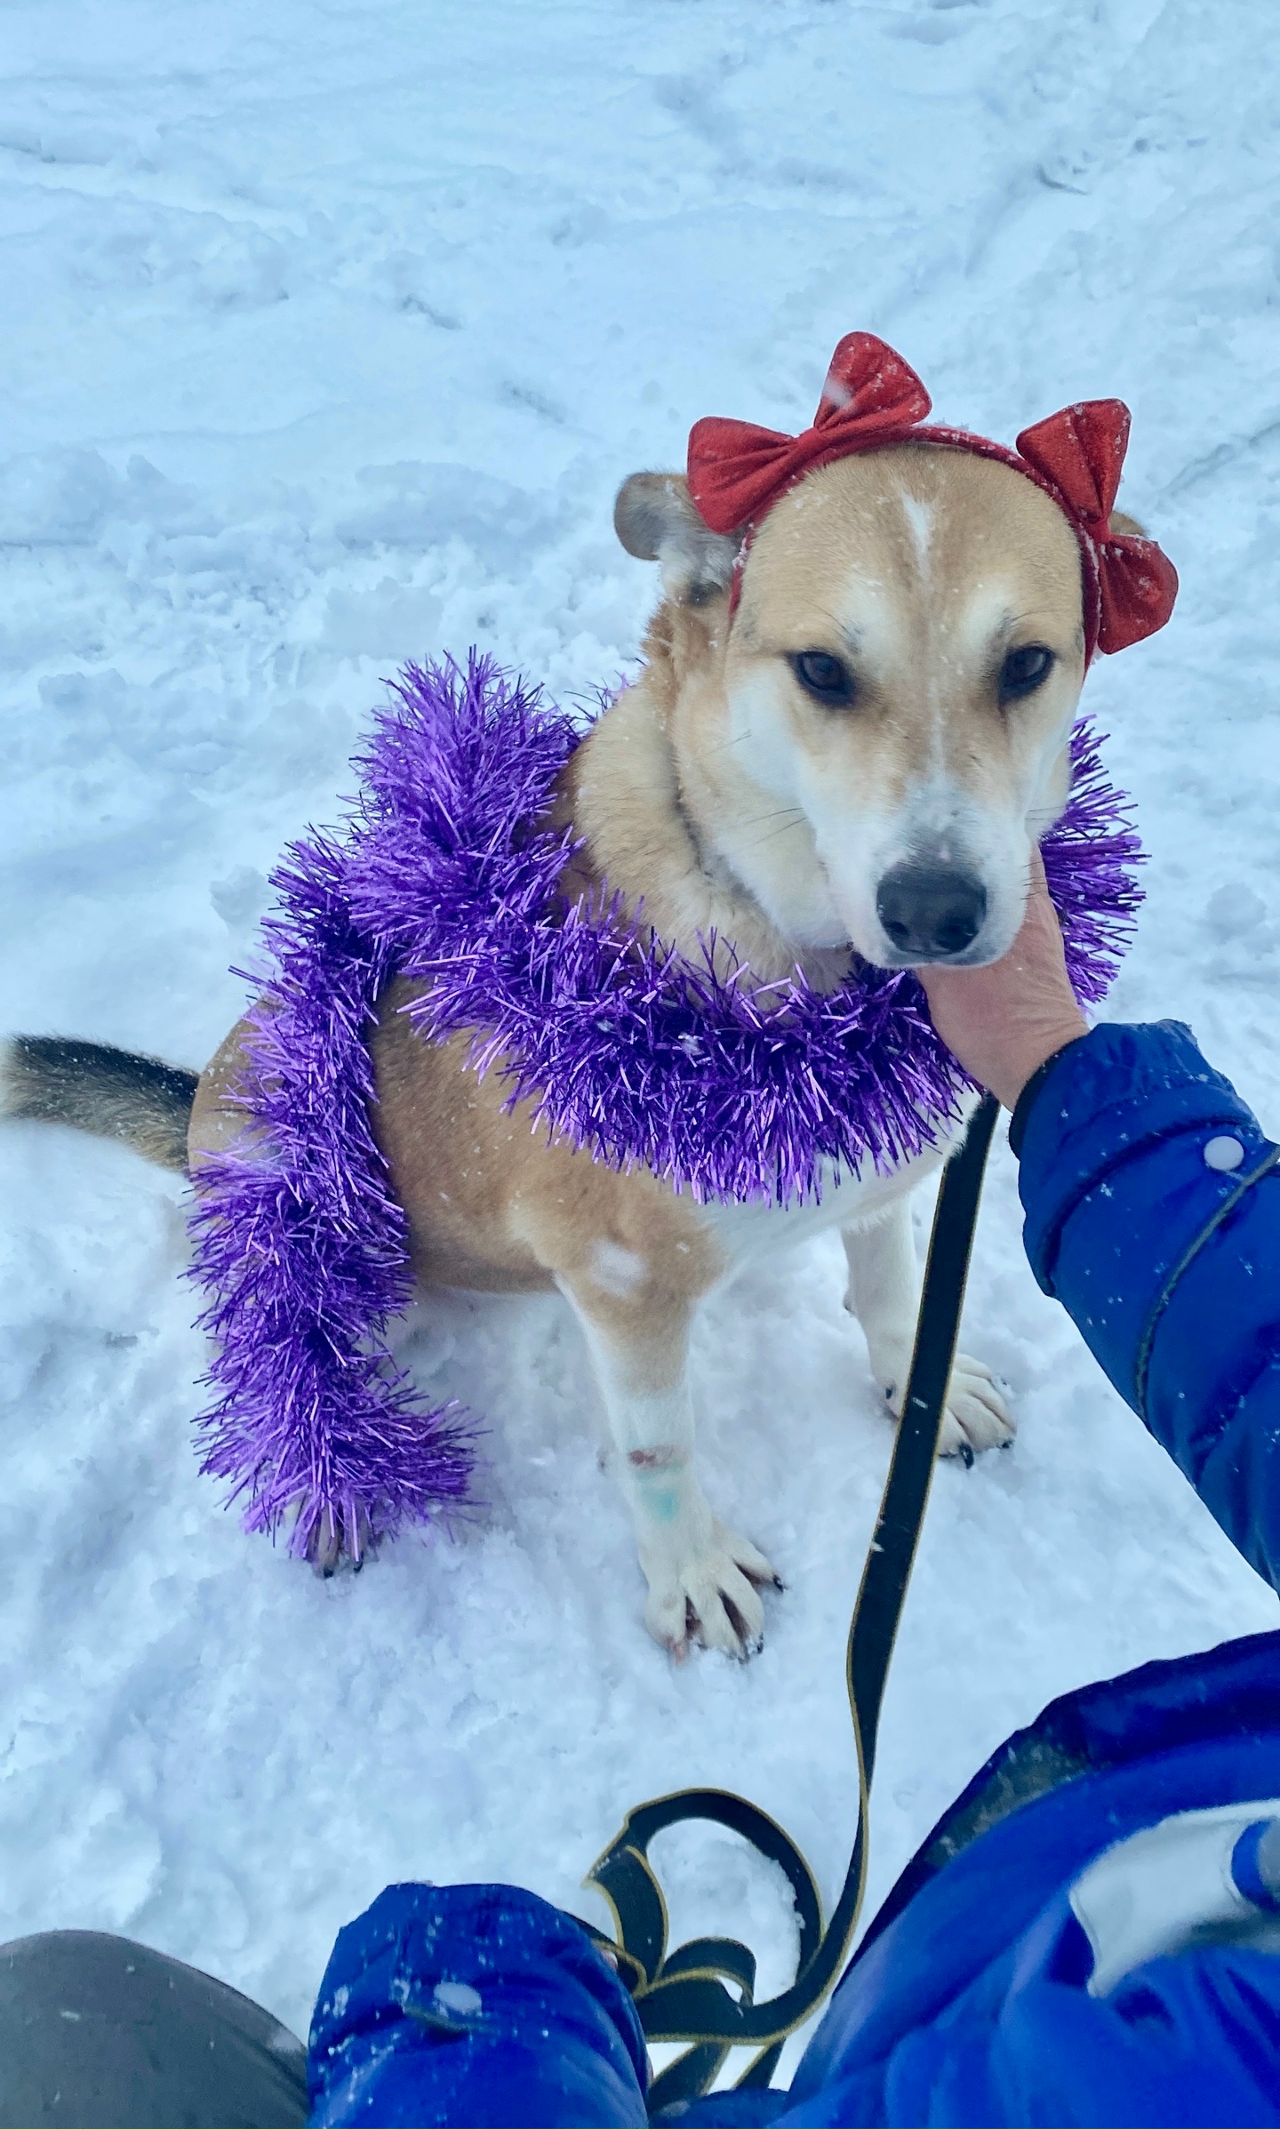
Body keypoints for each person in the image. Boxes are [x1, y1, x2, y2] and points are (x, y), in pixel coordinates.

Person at [6, 863, 1280, 2126]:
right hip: (365, 1173)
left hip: (950, 1937)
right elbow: (625, 1267)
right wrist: (1058, 1068)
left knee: (65, 2021)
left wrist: (492, 2004)